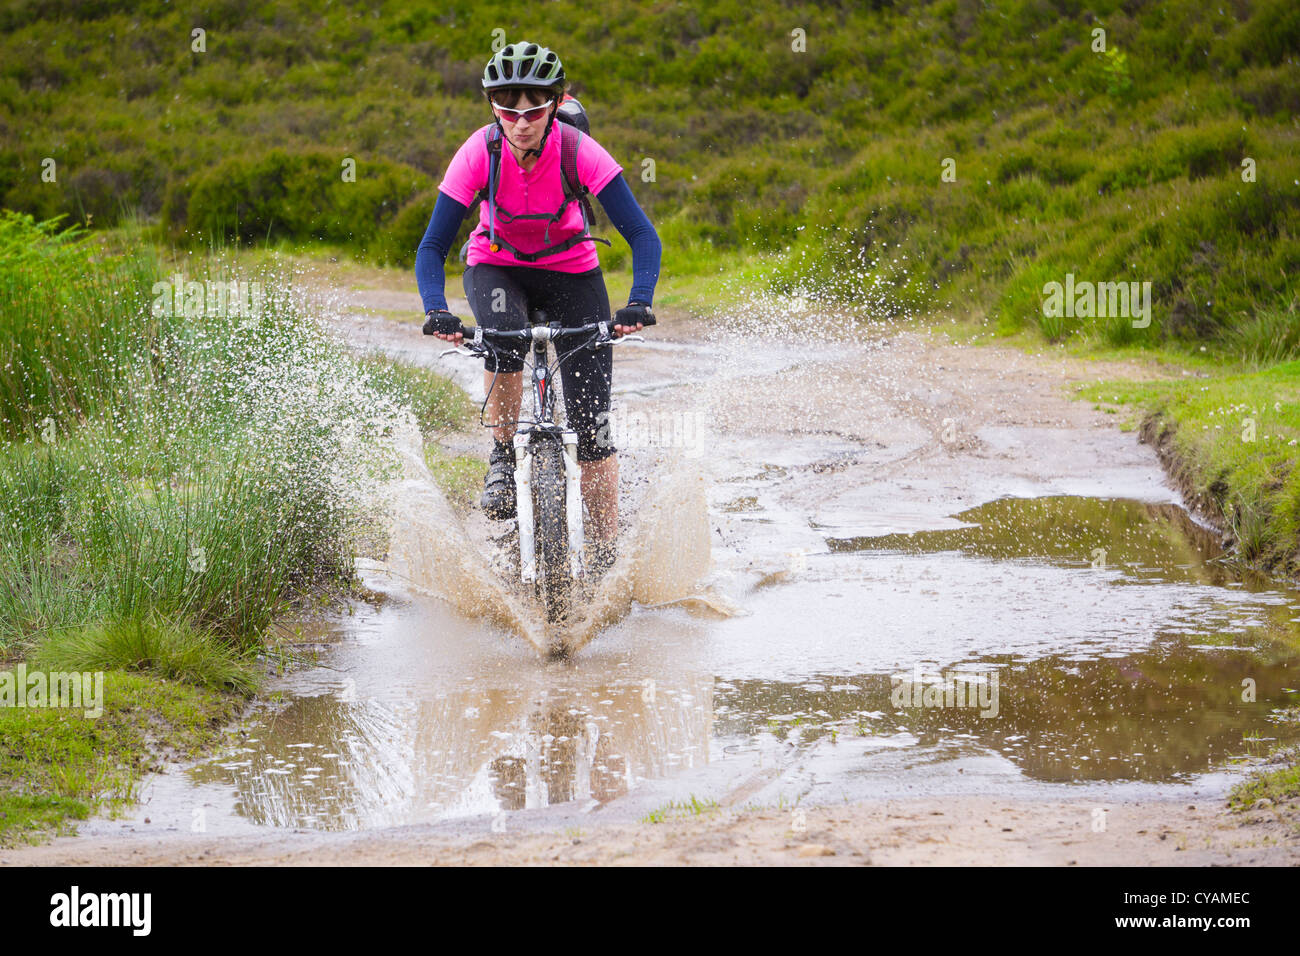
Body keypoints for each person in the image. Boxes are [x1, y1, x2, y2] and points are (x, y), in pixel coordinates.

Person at [416, 41, 661, 572]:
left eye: (533, 109)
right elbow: (432, 246)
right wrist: (437, 309)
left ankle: (603, 554)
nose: (520, 122)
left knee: (594, 428)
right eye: (508, 110)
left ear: (555, 103)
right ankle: (503, 454)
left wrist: (637, 303)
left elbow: (642, 234)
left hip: (572, 271)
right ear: (493, 107)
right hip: (497, 266)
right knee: (502, 335)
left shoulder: (579, 151)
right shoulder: (479, 152)